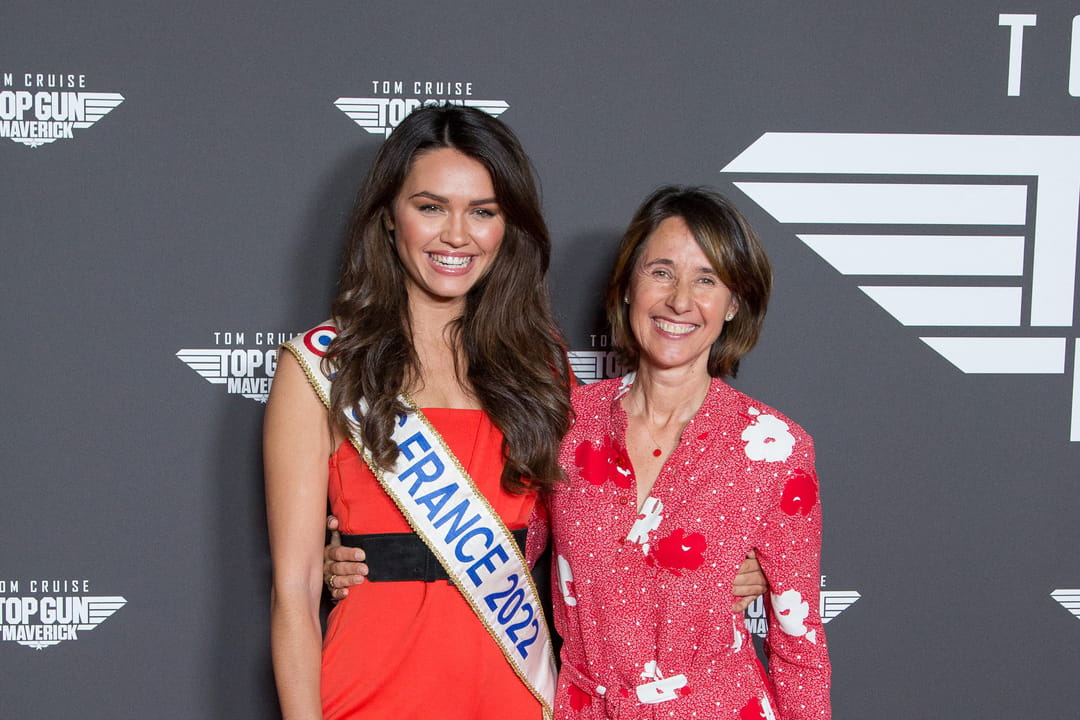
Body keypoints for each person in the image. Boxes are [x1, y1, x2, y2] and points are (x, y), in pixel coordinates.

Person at [264, 103, 572, 720]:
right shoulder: (321, 367)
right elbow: (293, 595)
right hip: (369, 691)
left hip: (517, 692)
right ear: (388, 217)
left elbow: (602, 540)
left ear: (506, 227)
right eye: (430, 207)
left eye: (482, 212)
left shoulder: (542, 368)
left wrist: (725, 562)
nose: (456, 235)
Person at [538, 186, 831, 718]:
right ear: (628, 286)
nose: (679, 300)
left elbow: (799, 645)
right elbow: (495, 557)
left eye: (707, 280)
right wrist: (361, 557)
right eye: (661, 271)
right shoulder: (564, 424)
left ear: (735, 303)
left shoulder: (775, 449)